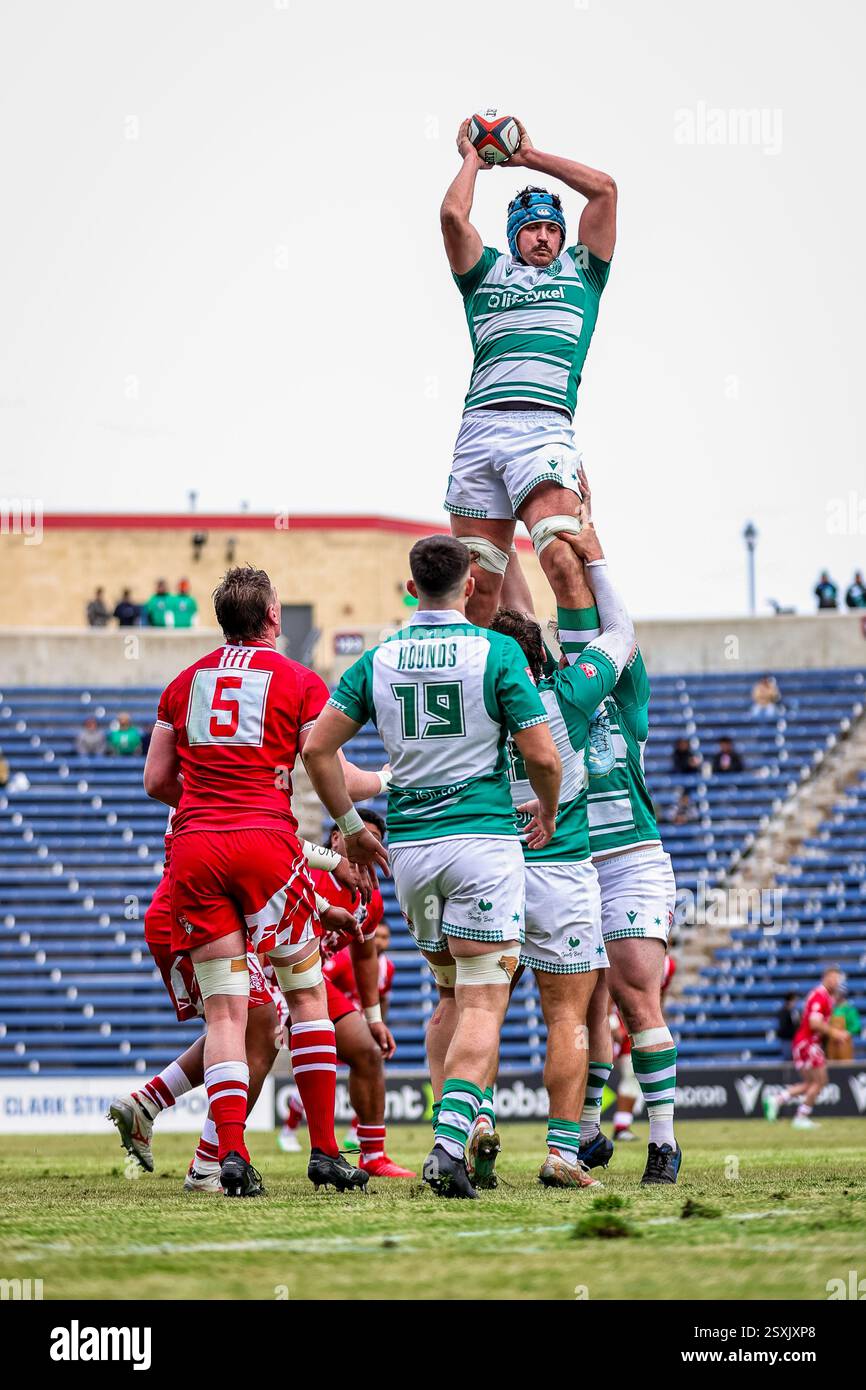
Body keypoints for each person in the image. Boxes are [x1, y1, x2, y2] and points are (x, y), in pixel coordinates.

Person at [302, 535, 561, 1199]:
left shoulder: (378, 657)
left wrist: (355, 830)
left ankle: (464, 1127)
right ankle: (449, 1144)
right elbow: (544, 757)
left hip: (412, 853)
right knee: (483, 995)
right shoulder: (497, 652)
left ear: (411, 586)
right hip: (479, 843)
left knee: (448, 993)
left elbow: (317, 750)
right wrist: (550, 808)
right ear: (472, 583)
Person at [143, 563, 388, 1196]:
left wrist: (207, 797)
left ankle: (228, 1155)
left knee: (225, 1013)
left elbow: (156, 782)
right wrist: (393, 778)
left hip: (195, 847)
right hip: (267, 844)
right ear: (273, 617)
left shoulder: (182, 684)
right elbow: (333, 766)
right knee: (306, 993)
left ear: (223, 620)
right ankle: (327, 1152)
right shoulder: (299, 680)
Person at [502, 485, 681, 1185]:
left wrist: (590, 542)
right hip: (568, 858)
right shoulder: (536, 692)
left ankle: (663, 1141)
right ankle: (582, 1128)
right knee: (586, 994)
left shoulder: (620, 685)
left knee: (637, 992)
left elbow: (619, 628)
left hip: (630, 854)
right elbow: (517, 614)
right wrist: (513, 522)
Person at [489, 500, 636, 1190]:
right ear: (542, 655)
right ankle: (560, 1152)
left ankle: (465, 1129)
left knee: (473, 1009)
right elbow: (623, 633)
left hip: (488, 870)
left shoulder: (475, 706)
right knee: (567, 1015)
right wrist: (592, 552)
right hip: (560, 870)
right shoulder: (568, 695)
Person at [110, 808, 366, 1191]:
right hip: (195, 908)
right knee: (248, 1032)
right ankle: (208, 1161)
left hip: (189, 901)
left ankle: (152, 1107)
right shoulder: (225, 779)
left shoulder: (202, 771)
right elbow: (265, 842)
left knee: (244, 1029)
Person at [440, 117, 617, 640]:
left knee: (563, 557)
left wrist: (527, 157)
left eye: (552, 229)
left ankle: (591, 701)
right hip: (480, 427)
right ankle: (479, 710)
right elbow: (453, 214)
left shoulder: (582, 274)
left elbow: (605, 189)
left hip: (543, 427)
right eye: (533, 228)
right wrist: (473, 156)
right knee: (477, 587)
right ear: (515, 234)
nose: (544, 237)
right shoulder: (485, 273)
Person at [302, 810, 415, 1179]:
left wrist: (374, 1018)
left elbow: (364, 952)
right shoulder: (310, 871)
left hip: (309, 981)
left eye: (373, 840)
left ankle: (373, 1154)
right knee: (246, 1051)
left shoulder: (370, 896)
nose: (365, 844)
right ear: (335, 839)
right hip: (268, 971)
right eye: (356, 834)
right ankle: (210, 1155)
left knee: (368, 1051)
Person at [763, 966, 847, 1128]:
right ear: (826, 977)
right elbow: (814, 1023)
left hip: (805, 1042)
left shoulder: (823, 996)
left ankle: (777, 1099)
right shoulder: (819, 996)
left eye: (838, 979)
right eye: (834, 978)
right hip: (808, 1043)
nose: (836, 982)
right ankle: (801, 1117)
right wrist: (835, 1033)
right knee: (820, 1080)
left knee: (812, 1082)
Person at [776, 991, 800, 1062]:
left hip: (794, 1038)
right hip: (787, 1039)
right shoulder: (783, 1012)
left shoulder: (795, 1012)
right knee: (788, 1059)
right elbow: (783, 1027)